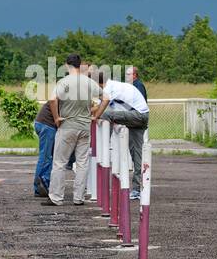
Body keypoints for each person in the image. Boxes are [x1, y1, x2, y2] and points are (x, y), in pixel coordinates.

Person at [43, 54, 105, 207]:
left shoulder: (64, 82)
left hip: (68, 125)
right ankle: (79, 198)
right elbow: (106, 98)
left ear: (67, 65)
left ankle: (56, 197)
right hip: (84, 127)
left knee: (59, 162)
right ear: (79, 65)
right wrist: (96, 115)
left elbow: (52, 99)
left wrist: (57, 118)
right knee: (82, 163)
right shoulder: (89, 82)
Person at [94, 71, 150, 199]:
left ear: (98, 83)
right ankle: (136, 190)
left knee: (105, 115)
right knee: (137, 154)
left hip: (138, 115)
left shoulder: (108, 88)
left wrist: (94, 117)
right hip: (141, 115)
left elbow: (100, 108)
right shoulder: (114, 86)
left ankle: (103, 147)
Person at [32, 96, 59, 197]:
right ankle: (39, 187)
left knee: (49, 157)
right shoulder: (68, 92)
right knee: (45, 157)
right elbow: (53, 101)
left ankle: (44, 184)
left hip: (45, 124)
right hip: (47, 125)